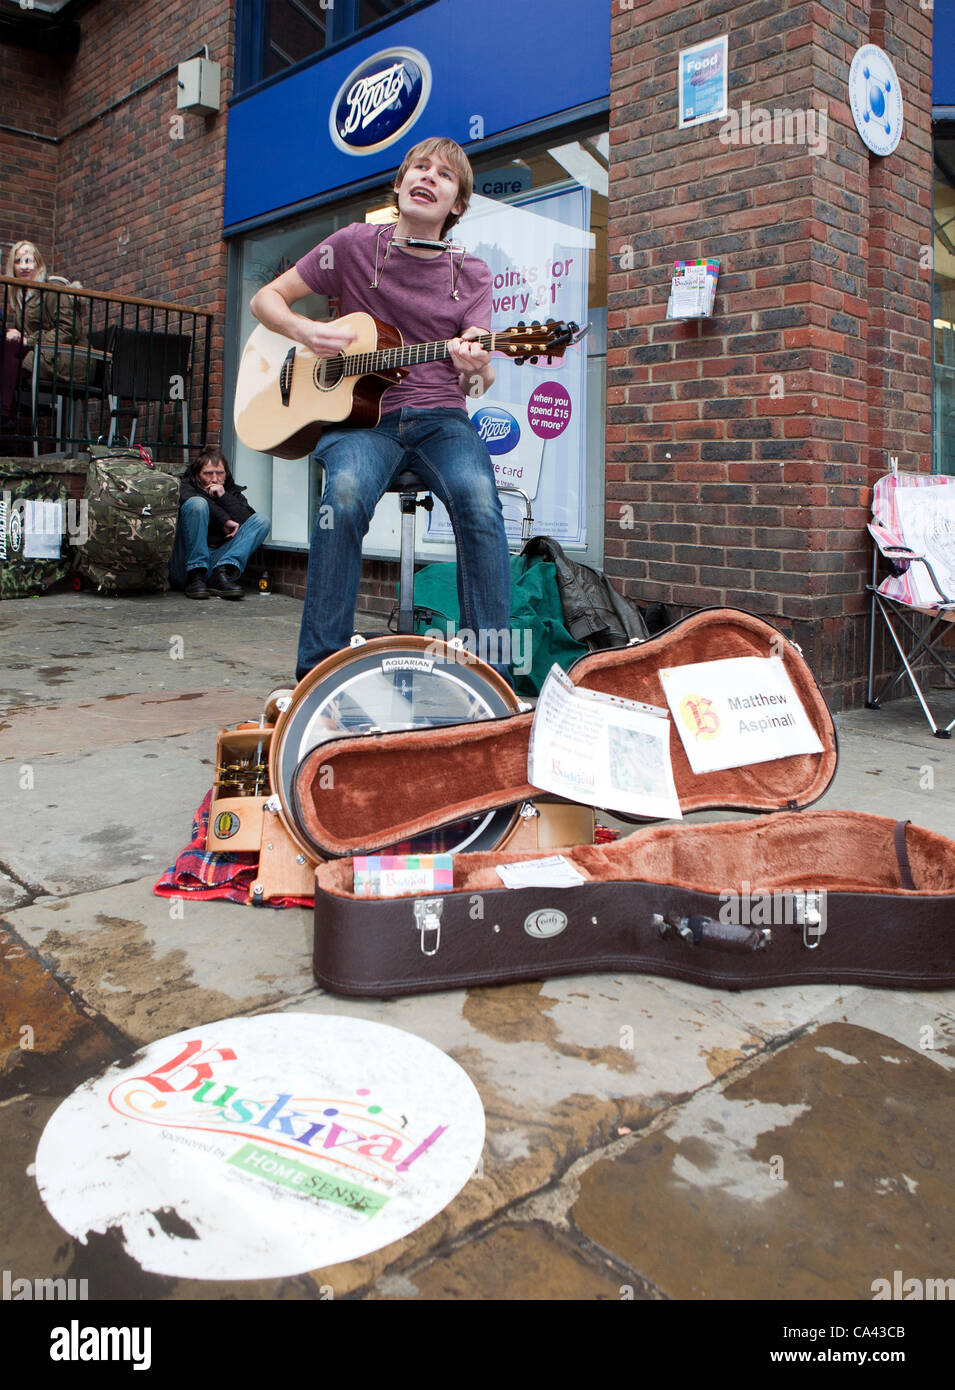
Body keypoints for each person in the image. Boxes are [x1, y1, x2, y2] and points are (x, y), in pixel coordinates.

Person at [249, 136, 511, 684]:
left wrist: (474, 369)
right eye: (418, 167)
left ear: (457, 204)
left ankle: (493, 678)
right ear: (398, 184)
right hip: (360, 422)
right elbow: (265, 299)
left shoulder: (474, 274)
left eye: (443, 175)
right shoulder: (350, 246)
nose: (427, 177)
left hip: (441, 417)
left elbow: (483, 370)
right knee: (341, 500)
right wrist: (307, 331)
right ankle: (314, 678)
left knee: (481, 505)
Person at [169, 445, 271, 600]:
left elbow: (246, 521)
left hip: (216, 561)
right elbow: (194, 500)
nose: (215, 479)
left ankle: (222, 573)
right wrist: (224, 519)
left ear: (226, 474)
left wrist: (224, 497)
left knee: (262, 521)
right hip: (185, 567)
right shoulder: (184, 486)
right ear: (197, 475)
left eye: (220, 473)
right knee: (198, 504)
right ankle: (196, 575)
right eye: (208, 473)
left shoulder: (232, 492)